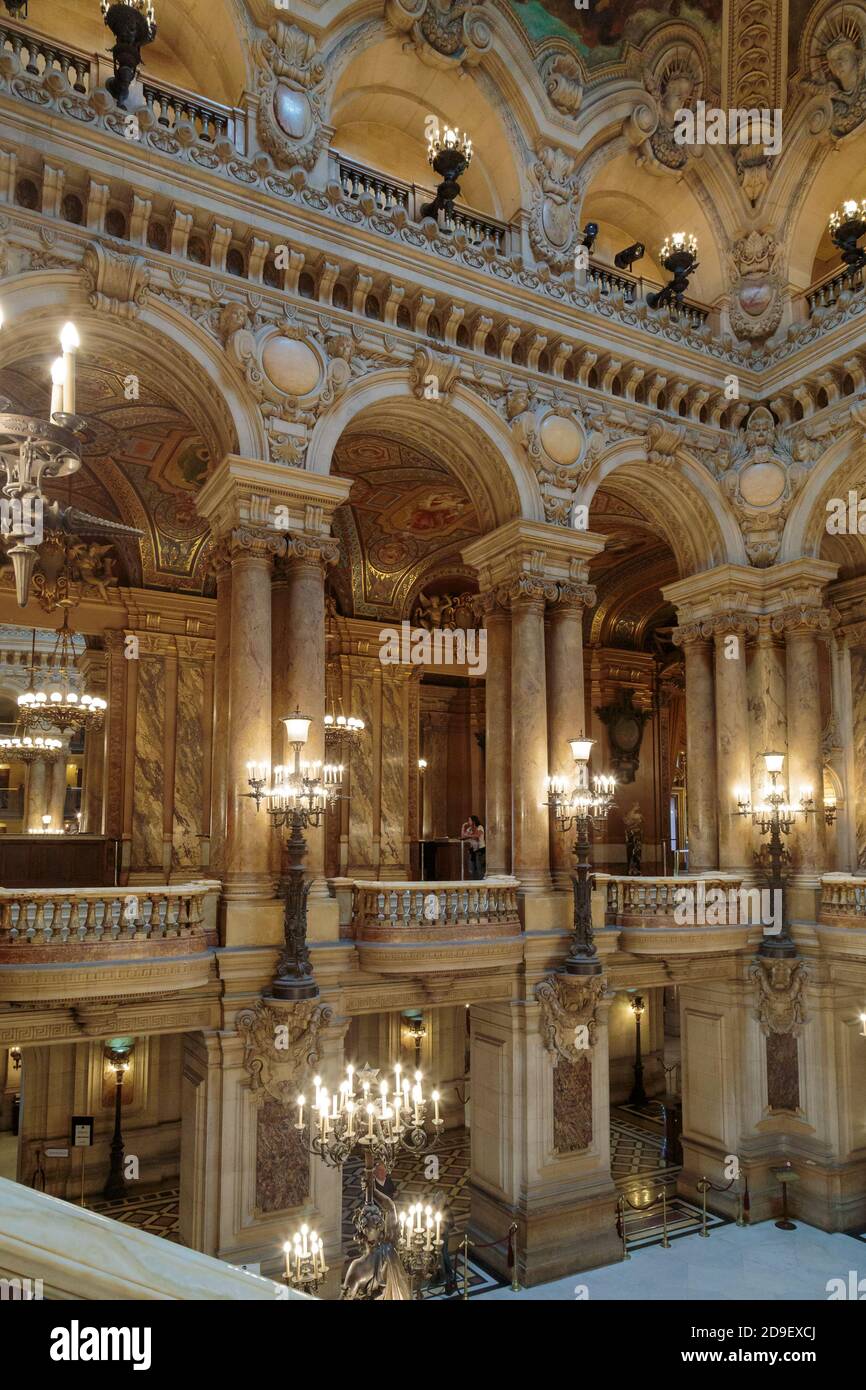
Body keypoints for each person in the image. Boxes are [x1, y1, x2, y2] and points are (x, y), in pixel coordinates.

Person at [460, 814, 485, 879]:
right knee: (471, 869)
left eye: (469, 820)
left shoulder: (480, 827)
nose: (468, 822)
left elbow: (477, 836)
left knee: (479, 868)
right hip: (472, 850)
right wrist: (463, 827)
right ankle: (474, 882)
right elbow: (462, 837)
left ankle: (481, 882)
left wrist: (468, 836)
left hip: (479, 850)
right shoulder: (469, 829)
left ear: (473, 821)